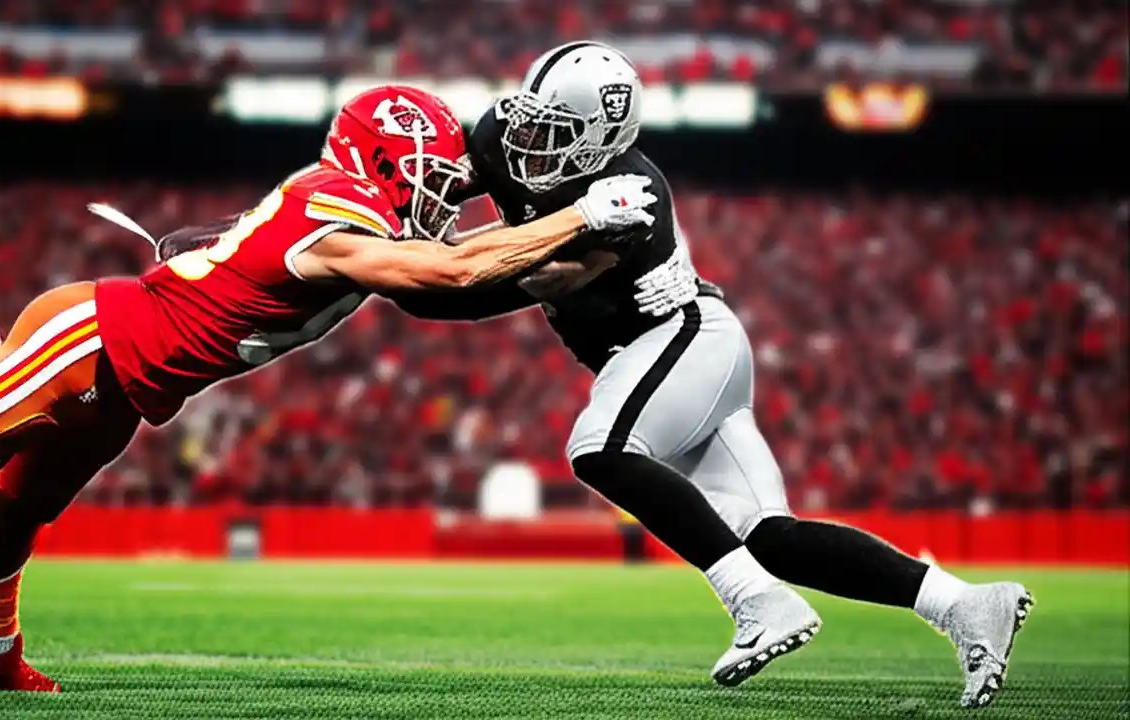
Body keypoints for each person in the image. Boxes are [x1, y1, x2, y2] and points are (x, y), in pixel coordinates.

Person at [0, 85, 659, 693]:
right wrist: (582, 216)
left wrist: (588, 256)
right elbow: (450, 270)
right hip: (90, 343)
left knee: (14, 501)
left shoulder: (345, 205)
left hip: (120, 378)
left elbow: (468, 268)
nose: (442, 194)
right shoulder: (336, 216)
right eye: (430, 174)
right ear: (382, 159)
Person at [389, 42, 1033, 708]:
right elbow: (444, 186)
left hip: (681, 338)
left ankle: (755, 602)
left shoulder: (630, 195)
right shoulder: (501, 133)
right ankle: (964, 605)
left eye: (557, 132)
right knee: (771, 538)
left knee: (600, 448)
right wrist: (390, 240)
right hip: (672, 358)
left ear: (604, 140)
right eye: (530, 120)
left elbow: (524, 277)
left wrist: (420, 266)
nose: (528, 142)